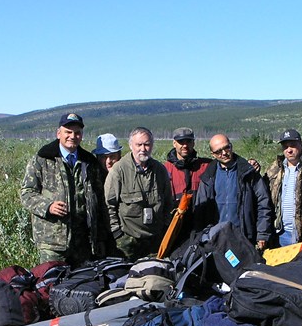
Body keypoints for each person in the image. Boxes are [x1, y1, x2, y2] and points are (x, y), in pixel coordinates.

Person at [19, 112, 111, 264]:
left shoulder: (89, 162)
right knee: (52, 283)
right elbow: (26, 193)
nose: (72, 136)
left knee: (83, 284)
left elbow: (100, 201)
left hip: (84, 241)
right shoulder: (42, 159)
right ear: (58, 133)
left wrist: (100, 237)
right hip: (53, 242)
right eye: (68, 132)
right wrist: (48, 206)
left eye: (77, 133)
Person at [193, 133, 273, 250]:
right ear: (213, 154)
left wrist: (262, 234)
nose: (224, 153)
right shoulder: (208, 177)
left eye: (227, 147)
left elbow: (263, 204)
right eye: (219, 151)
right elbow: (200, 211)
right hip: (217, 238)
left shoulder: (248, 172)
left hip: (244, 237)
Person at [105, 127, 174, 261]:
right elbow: (109, 205)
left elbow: (167, 201)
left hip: (155, 239)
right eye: (139, 144)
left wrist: (165, 226)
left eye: (147, 144)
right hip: (127, 240)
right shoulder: (119, 170)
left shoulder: (160, 170)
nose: (143, 149)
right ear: (131, 146)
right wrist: (118, 234)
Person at [163, 127, 211, 204]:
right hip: (175, 214)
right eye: (181, 142)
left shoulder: (206, 166)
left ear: (193, 143)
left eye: (188, 141)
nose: (185, 145)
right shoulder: (165, 169)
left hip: (200, 214)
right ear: (174, 143)